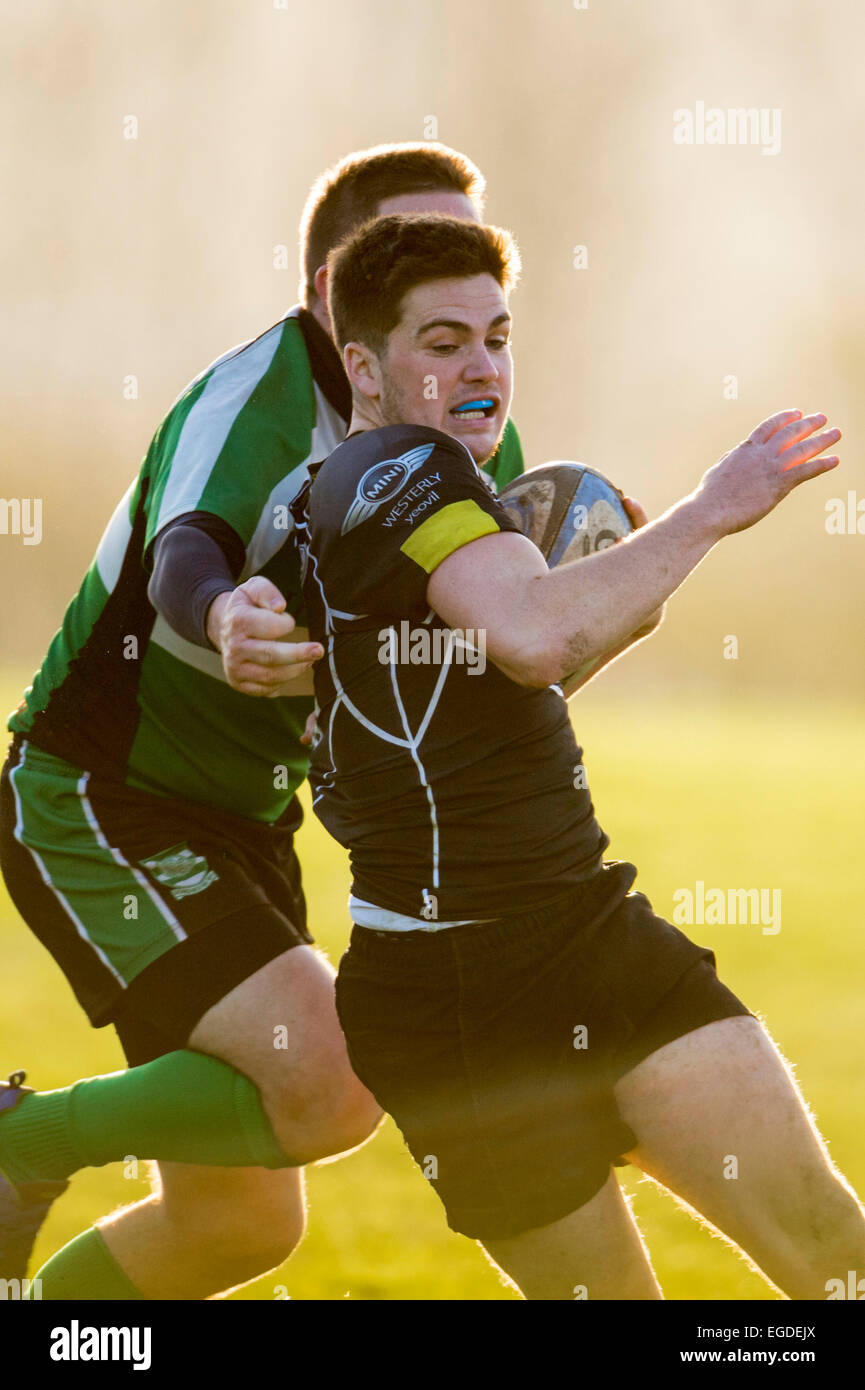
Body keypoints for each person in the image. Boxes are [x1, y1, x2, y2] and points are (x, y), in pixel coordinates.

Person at [292, 211, 865, 1299]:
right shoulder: (394, 468)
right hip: (451, 1002)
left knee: (833, 1252)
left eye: (498, 337)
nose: (482, 367)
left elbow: (516, 678)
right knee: (830, 1265)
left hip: (583, 932)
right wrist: (709, 511)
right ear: (362, 366)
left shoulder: (401, 488)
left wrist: (614, 596)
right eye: (443, 340)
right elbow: (536, 635)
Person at [0, 143, 524, 1301]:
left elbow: (501, 642)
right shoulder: (261, 392)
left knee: (235, 1225)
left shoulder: (469, 432)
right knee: (335, 1081)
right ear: (336, 290)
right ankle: (17, 1141)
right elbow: (189, 541)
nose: (455, 304)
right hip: (97, 793)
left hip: (248, 825)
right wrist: (225, 606)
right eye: (409, 249)